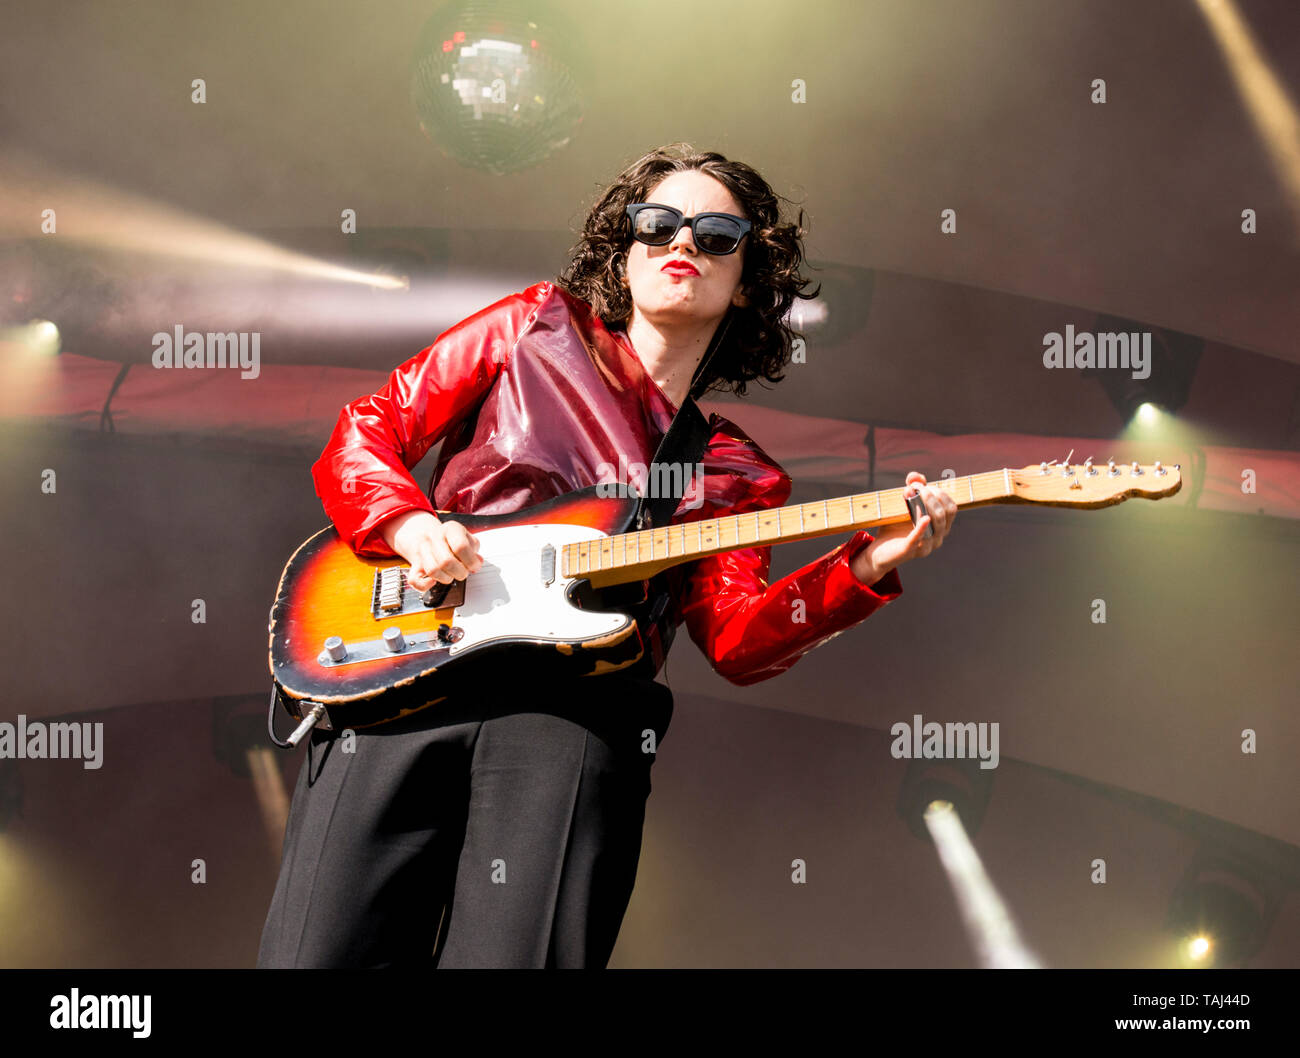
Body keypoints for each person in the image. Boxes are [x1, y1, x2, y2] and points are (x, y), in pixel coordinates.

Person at [256, 143, 956, 969]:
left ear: (750, 275)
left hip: (570, 721)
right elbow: (368, 429)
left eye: (717, 234)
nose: (681, 244)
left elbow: (735, 639)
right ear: (622, 254)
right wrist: (408, 526)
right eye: (657, 224)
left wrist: (869, 563)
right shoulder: (531, 326)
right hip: (402, 681)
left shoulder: (734, 470)